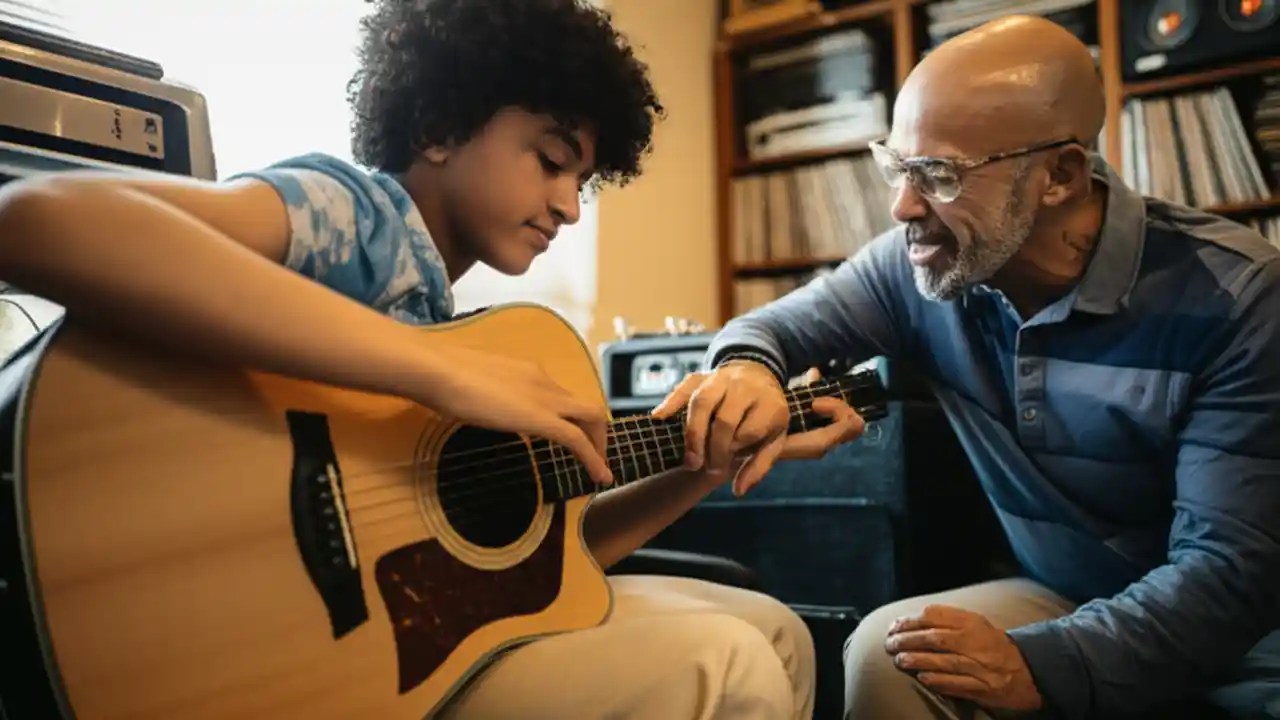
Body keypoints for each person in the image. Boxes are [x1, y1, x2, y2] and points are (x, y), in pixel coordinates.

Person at [0, 1, 868, 717]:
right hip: (238, 643)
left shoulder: (446, 314)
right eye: (553, 160)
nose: (569, 205)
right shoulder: (360, 218)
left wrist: (696, 462)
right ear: (439, 126)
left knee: (776, 631)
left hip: (392, 654)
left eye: (584, 181)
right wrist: (442, 372)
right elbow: (40, 223)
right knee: (730, 661)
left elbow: (550, 573)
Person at [656, 14, 1280, 720]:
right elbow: (772, 328)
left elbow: (1231, 574)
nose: (901, 206)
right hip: (1062, 594)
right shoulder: (925, 267)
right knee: (890, 657)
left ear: (1061, 175)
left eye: (939, 174)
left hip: (1245, 642)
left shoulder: (1242, 297)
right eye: (897, 166)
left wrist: (1048, 662)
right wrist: (745, 368)